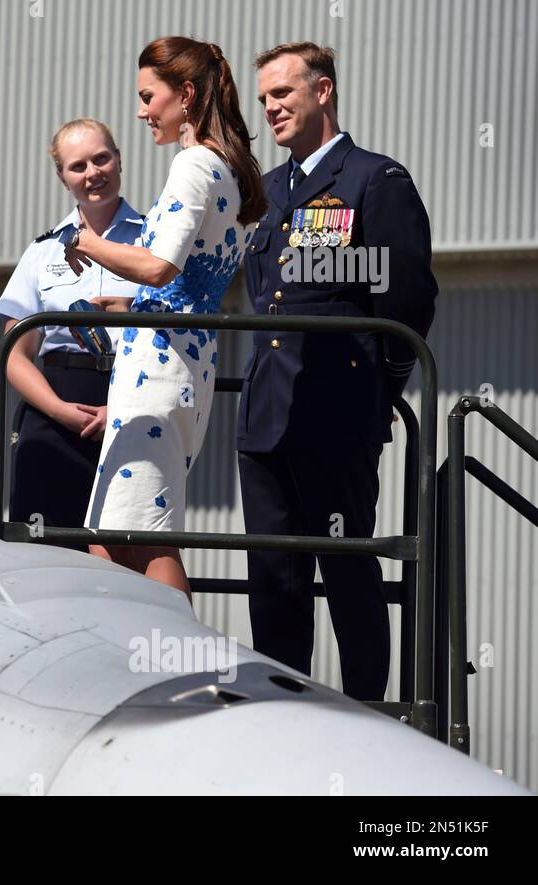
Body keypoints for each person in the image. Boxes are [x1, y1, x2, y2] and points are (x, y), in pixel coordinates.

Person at [237, 43, 437, 701]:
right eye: (264, 97)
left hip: (336, 412)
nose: (270, 108)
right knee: (274, 581)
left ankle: (365, 717)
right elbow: (262, 292)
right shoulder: (266, 191)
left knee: (349, 578)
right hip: (266, 416)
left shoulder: (375, 181)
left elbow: (406, 297)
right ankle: (282, 714)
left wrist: (379, 388)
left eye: (283, 93)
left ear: (323, 92)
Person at [64, 37, 266, 599]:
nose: (141, 110)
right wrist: (126, 308)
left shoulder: (194, 164)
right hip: (176, 363)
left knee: (145, 538)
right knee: (110, 537)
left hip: (160, 373)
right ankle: (136, 656)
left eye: (148, 96)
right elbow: (186, 285)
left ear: (187, 94)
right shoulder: (222, 168)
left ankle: (175, 661)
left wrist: (85, 242)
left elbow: (158, 266)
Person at [0, 119, 144, 548]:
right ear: (63, 177)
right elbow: (14, 355)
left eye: (102, 158)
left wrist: (118, 407)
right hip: (56, 406)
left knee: (125, 546)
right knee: (45, 546)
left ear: (119, 159)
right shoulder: (41, 253)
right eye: (78, 166)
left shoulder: (155, 243)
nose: (93, 172)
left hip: (134, 397)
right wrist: (59, 411)